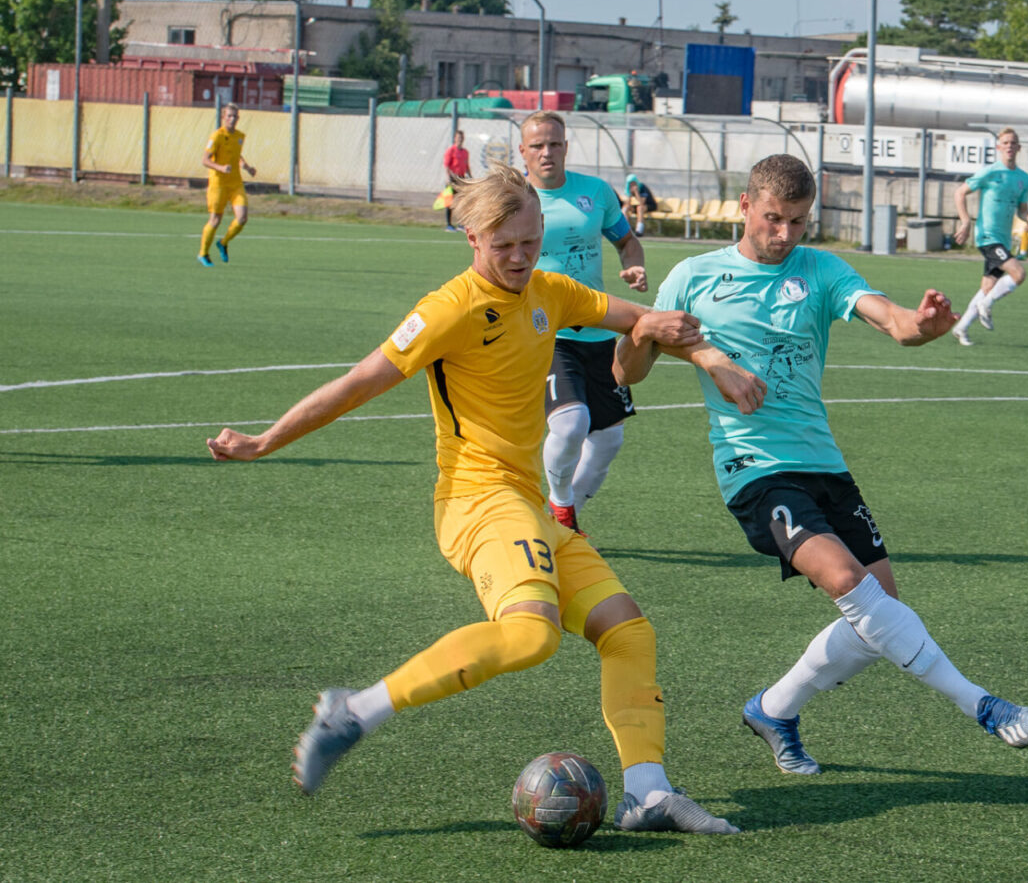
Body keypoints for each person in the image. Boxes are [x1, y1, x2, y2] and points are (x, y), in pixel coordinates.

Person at [204, 162, 737, 834]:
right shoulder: (448, 309)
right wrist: (264, 441)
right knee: (531, 634)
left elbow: (644, 320)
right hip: (477, 499)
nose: (518, 257)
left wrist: (709, 356)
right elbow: (357, 383)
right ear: (472, 239)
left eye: (529, 242)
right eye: (502, 245)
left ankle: (648, 793)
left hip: (527, 504)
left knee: (627, 631)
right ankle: (353, 712)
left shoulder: (551, 291)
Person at [615, 154, 1028, 777]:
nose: (784, 234)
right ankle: (978, 702)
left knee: (881, 616)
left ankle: (774, 709)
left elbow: (894, 322)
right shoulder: (692, 276)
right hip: (754, 467)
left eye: (797, 221)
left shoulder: (820, 269)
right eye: (773, 218)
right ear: (745, 206)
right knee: (848, 582)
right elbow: (625, 372)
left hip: (825, 463)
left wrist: (924, 325)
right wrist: (643, 334)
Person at [519, 111, 648, 533]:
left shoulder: (595, 192)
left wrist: (634, 266)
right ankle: (561, 509)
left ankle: (560, 523)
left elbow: (626, 241)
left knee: (609, 439)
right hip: (546, 332)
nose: (547, 152)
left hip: (600, 329)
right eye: (537, 145)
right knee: (571, 423)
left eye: (554, 144)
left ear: (565, 147)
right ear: (523, 151)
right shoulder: (515, 199)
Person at [950, 127, 1028, 346]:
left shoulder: (1023, 178)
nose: (1009, 146)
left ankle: (961, 328)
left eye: (1013, 143)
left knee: (987, 286)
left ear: (1019, 147)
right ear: (998, 147)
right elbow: (960, 192)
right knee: (1019, 273)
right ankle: (986, 304)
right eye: (1005, 143)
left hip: (1003, 239)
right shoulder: (990, 172)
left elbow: (1023, 211)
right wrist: (965, 221)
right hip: (987, 236)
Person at [198, 103, 257, 267]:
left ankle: (223, 243)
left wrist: (247, 167)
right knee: (215, 220)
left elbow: (236, 155)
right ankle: (203, 253)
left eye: (235, 116)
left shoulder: (240, 136)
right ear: (223, 117)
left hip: (235, 183)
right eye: (229, 116)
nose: (232, 119)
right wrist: (221, 168)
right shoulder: (216, 136)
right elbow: (205, 160)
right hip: (218, 184)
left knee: (242, 218)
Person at [441, 129, 470, 231]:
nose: (460, 139)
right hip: (452, 178)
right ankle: (449, 225)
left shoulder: (465, 152)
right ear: (455, 138)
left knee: (461, 201)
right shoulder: (451, 150)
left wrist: (470, 176)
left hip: (461, 179)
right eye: (458, 137)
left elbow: (466, 165)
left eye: (461, 137)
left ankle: (461, 224)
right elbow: (447, 165)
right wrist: (448, 177)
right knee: (450, 202)